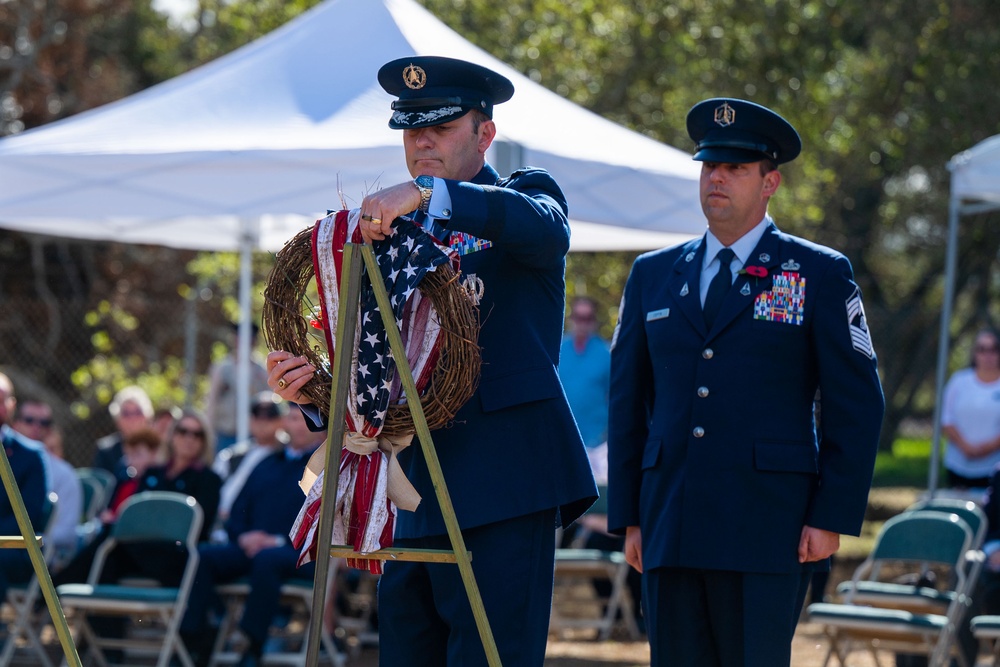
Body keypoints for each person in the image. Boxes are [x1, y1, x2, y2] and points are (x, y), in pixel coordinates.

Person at [266, 55, 597, 666]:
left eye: (440, 126)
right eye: (411, 126)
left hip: (504, 484)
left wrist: (428, 194)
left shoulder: (523, 197)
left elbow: (545, 230)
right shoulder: (386, 236)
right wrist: (313, 393)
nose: (420, 140)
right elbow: (373, 368)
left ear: (485, 134)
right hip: (414, 487)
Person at [607, 98, 885, 666]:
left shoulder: (815, 272)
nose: (717, 179)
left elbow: (856, 403)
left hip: (768, 525)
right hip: (672, 521)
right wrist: (630, 514)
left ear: (770, 182)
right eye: (710, 167)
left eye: (735, 169)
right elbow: (627, 399)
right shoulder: (654, 274)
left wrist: (830, 516)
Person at [179, 410, 323, 667]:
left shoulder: (326, 468)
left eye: (305, 420)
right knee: (203, 556)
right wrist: (243, 536)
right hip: (253, 549)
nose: (299, 426)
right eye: (293, 418)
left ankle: (252, 647)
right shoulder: (266, 464)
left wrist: (277, 540)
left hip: (298, 554)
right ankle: (194, 640)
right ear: (285, 423)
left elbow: (324, 522)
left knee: (267, 560)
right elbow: (238, 510)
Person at [12, 398, 83, 570]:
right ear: (15, 423)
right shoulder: (7, 464)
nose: (36, 427)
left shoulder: (65, 474)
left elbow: (67, 532)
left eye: (44, 422)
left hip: (36, 553)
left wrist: (31, 539)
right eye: (29, 420)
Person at [0, 373, 48, 610]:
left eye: (1, 400)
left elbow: (29, 516)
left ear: (11, 405)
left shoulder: (30, 455)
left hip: (15, 549)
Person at [941, 328, 1000, 489]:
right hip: (957, 467)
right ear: (975, 353)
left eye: (993, 349)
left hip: (993, 469)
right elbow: (946, 419)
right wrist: (965, 447)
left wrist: (986, 449)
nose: (987, 355)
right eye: (982, 349)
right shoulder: (959, 381)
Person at [205, 322, 271, 452]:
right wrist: (209, 430)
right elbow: (211, 400)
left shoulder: (261, 370)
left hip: (253, 434)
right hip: (225, 432)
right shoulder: (222, 368)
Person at [92, 385, 154, 477]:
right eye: (126, 414)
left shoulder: (158, 448)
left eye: (137, 412)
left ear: (146, 416)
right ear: (118, 419)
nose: (132, 419)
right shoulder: (106, 450)